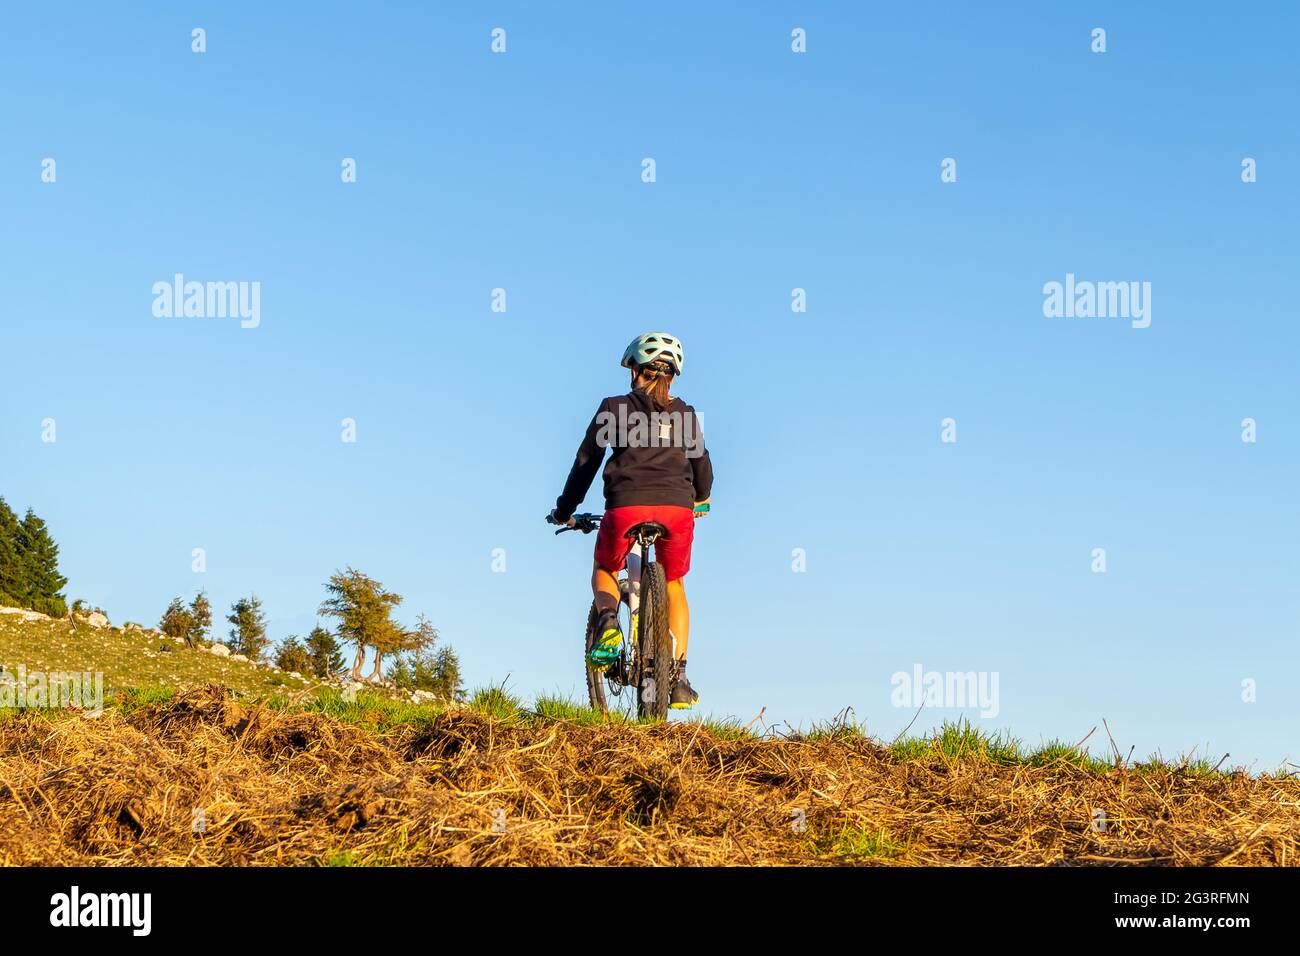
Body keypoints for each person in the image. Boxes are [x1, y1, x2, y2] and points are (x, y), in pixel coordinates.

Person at [549, 332, 713, 708]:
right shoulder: (685, 415)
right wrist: (701, 498)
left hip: (626, 506)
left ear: (635, 370)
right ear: (671, 374)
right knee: (674, 582)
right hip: (677, 508)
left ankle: (608, 623)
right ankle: (679, 679)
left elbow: (585, 464)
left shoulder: (614, 408)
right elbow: (702, 469)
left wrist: (564, 509)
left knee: (605, 566)